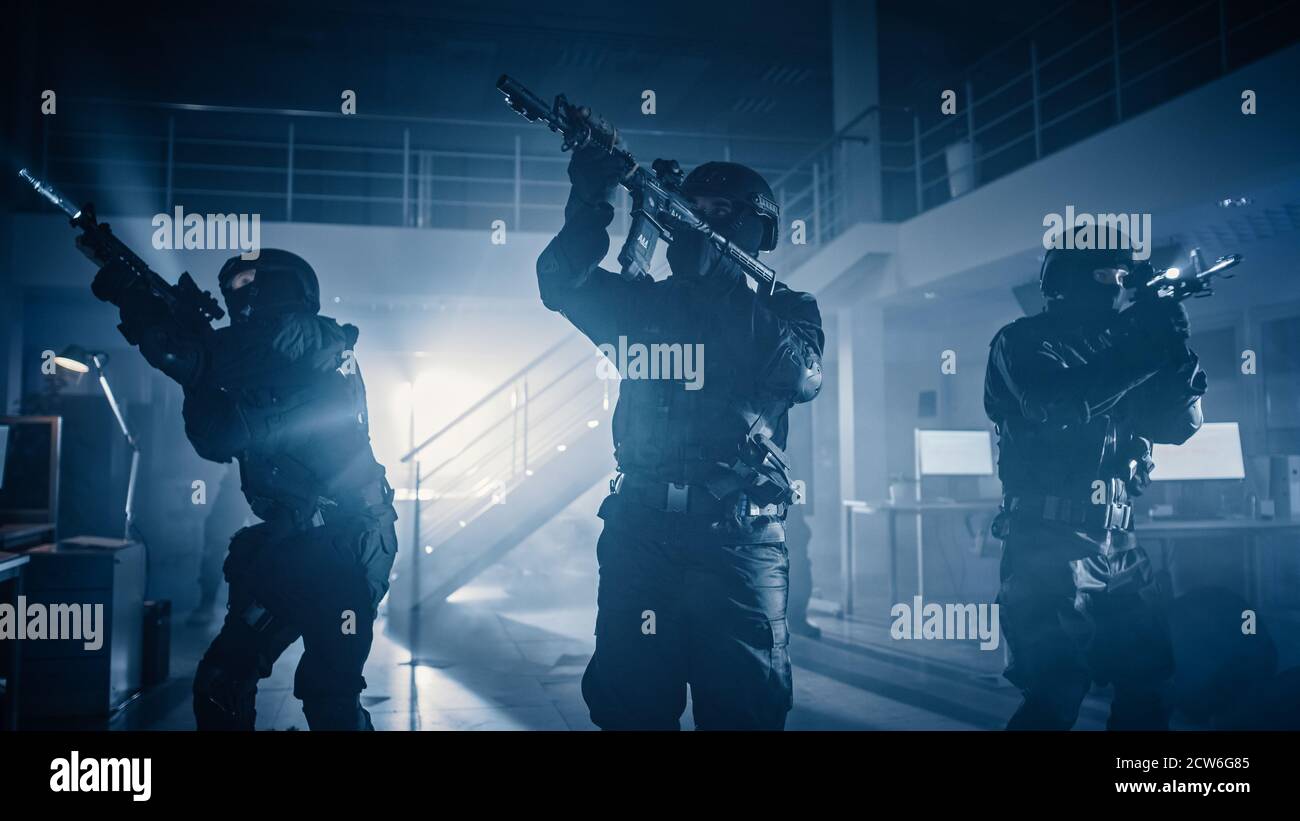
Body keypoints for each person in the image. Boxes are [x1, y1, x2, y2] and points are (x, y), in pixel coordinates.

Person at [537, 147, 824, 730]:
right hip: (641, 534)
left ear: (753, 225)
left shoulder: (784, 308)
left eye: (719, 210)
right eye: (690, 209)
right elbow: (561, 284)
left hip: (739, 541)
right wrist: (590, 202)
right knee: (628, 707)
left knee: (745, 710)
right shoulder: (645, 305)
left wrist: (721, 282)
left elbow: (800, 374)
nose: (701, 220)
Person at [84, 246, 398, 730]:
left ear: (287, 287)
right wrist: (173, 337)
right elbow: (217, 436)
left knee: (328, 696)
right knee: (219, 682)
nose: (238, 294)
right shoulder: (259, 365)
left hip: (346, 546)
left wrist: (144, 308)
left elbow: (202, 356)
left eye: (250, 281)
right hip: (293, 544)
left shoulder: (314, 339)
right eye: (232, 286)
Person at [983, 233, 1206, 730]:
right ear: (1064, 284)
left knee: (1150, 682)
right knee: (1056, 692)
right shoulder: (1021, 341)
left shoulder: (1121, 347)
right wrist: (1145, 349)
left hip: (1121, 544)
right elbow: (1060, 404)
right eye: (1107, 276)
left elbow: (1180, 426)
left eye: (1127, 278)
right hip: (1046, 543)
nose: (1120, 287)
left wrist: (1176, 352)